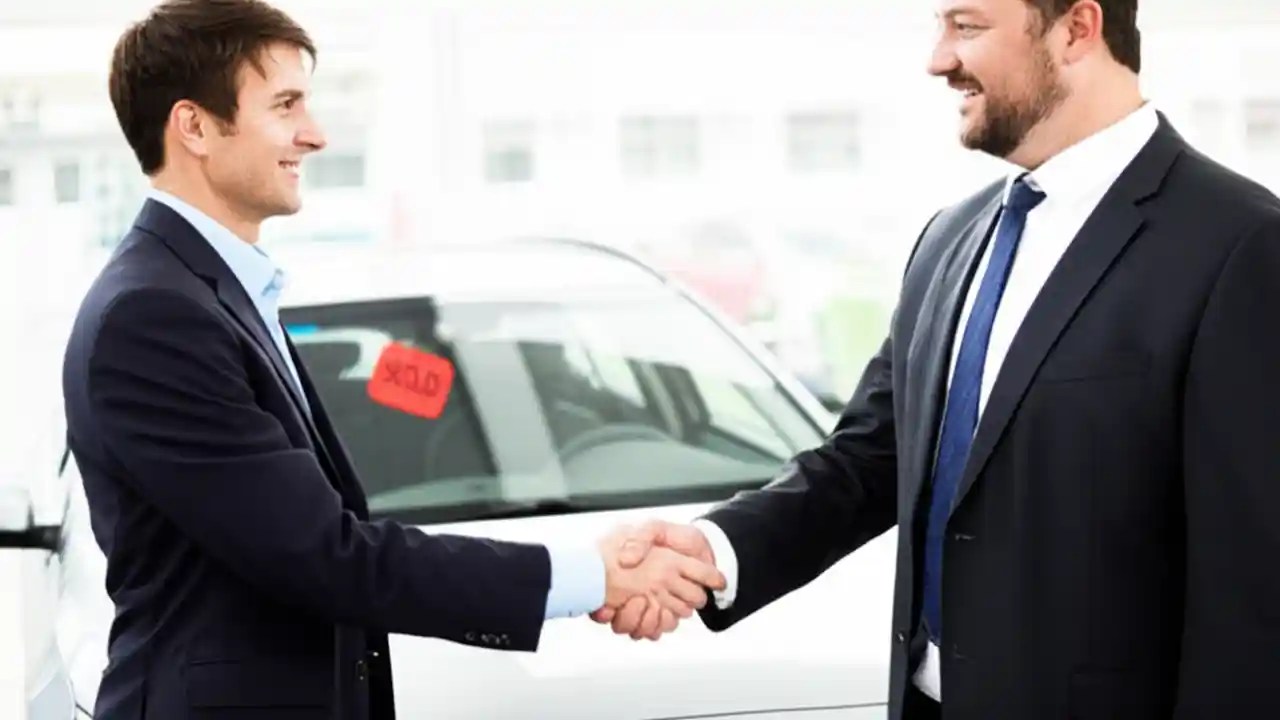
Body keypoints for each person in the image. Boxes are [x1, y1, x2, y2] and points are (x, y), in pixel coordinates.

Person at [597, 0, 1280, 718]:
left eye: (968, 26)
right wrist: (713, 550)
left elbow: (1254, 592)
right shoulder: (952, 240)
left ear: (1078, 29)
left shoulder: (1239, 247)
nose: (938, 58)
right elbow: (870, 460)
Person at [60, 1, 722, 718]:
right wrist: (594, 574)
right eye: (285, 105)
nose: (314, 135)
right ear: (193, 126)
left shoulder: (205, 293)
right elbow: (323, 555)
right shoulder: (155, 318)